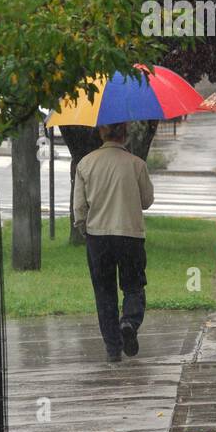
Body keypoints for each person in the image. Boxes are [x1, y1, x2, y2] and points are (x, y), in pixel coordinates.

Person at [73, 122, 154, 363]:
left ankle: (112, 347)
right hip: (129, 234)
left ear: (101, 133)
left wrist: (83, 227)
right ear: (125, 134)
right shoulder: (136, 164)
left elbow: (79, 207)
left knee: (104, 291)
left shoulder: (85, 163)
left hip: (98, 236)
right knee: (133, 285)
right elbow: (147, 200)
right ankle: (129, 321)